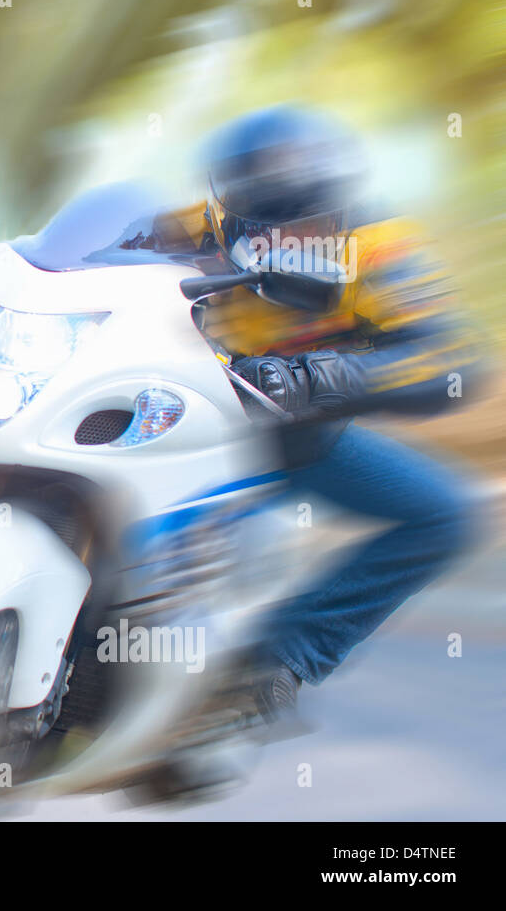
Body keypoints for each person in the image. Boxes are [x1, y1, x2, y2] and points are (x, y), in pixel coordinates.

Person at [117, 105, 483, 722]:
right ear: (227, 211)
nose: (287, 241)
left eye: (308, 224)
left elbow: (452, 360)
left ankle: (281, 659)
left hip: (294, 436)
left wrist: (312, 380)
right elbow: (75, 269)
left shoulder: (378, 247)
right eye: (265, 227)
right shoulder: (180, 227)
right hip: (167, 422)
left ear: (339, 208)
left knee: (447, 515)